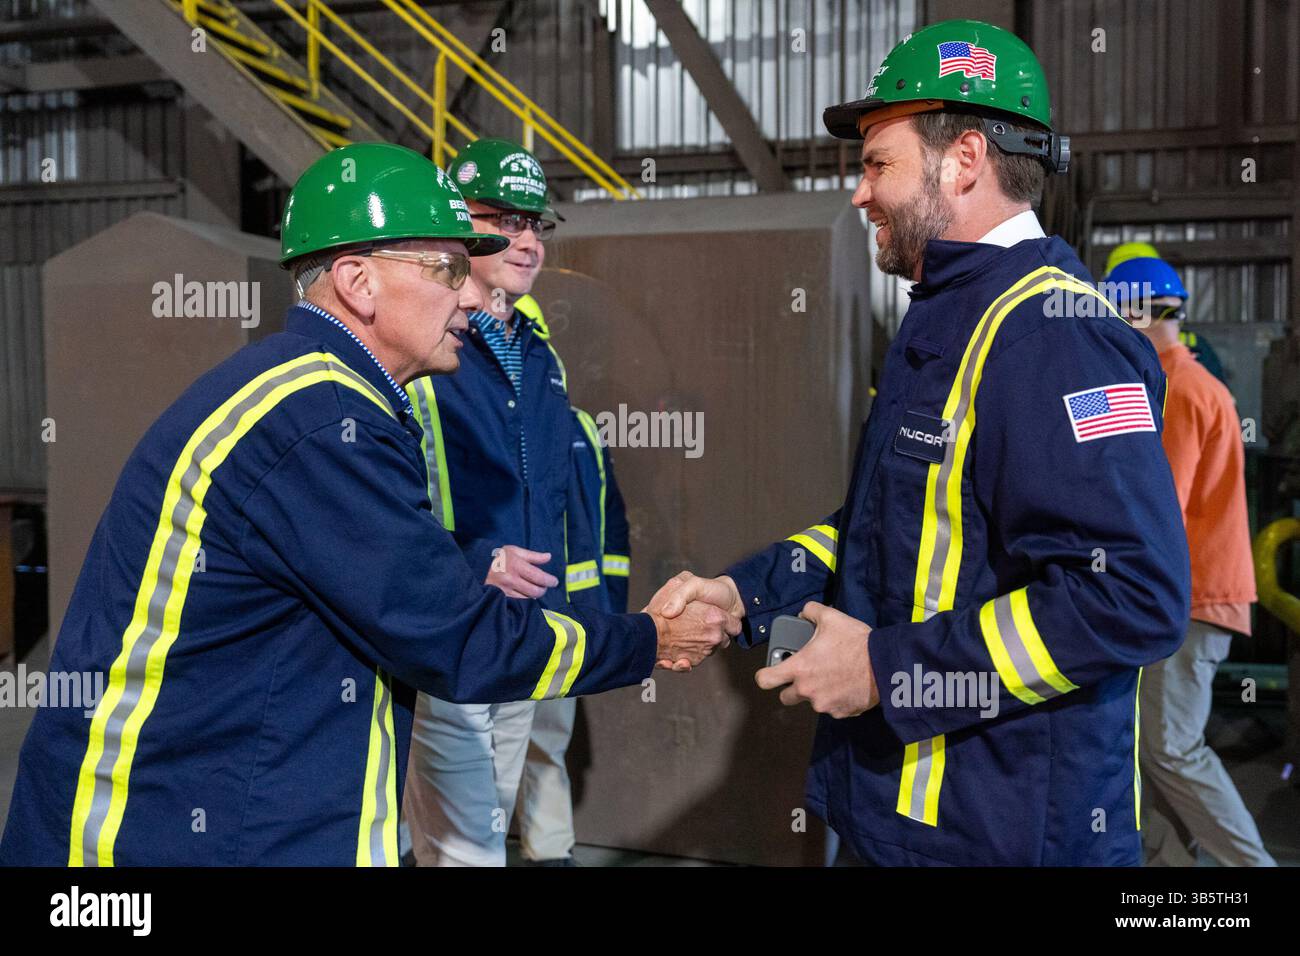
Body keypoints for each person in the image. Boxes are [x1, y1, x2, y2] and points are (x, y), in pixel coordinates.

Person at [0, 143, 735, 866]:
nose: (475, 295)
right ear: (357, 281)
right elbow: (460, 640)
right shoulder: (319, 421)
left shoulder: (316, 394)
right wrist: (646, 640)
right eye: (449, 268)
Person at [648, 19, 1191, 866]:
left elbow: (1130, 594)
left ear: (964, 158)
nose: (859, 193)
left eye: (877, 163)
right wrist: (741, 595)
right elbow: (885, 527)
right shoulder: (945, 315)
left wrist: (888, 672)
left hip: (1000, 835)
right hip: (897, 813)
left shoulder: (1054, 335)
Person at [401, 139, 583, 867]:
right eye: (505, 221)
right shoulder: (420, 347)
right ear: (458, 225)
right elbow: (388, 496)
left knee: (492, 813)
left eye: (537, 223)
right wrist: (473, 560)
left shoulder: (535, 345)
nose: (528, 240)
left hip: (525, 620)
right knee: (462, 837)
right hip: (451, 620)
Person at [1104, 254, 1274, 866]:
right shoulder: (1200, 384)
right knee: (1156, 749)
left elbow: (1157, 508)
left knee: (1172, 749)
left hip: (1193, 597)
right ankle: (1174, 874)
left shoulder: (1175, 389)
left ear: (1137, 314)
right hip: (1199, 593)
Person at [516, 404, 631, 865]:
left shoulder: (578, 424)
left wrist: (609, 611)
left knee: (547, 733)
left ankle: (549, 850)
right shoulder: (472, 419)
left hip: (562, 615)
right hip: (497, 609)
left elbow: (611, 523)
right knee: (467, 743)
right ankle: (420, 846)